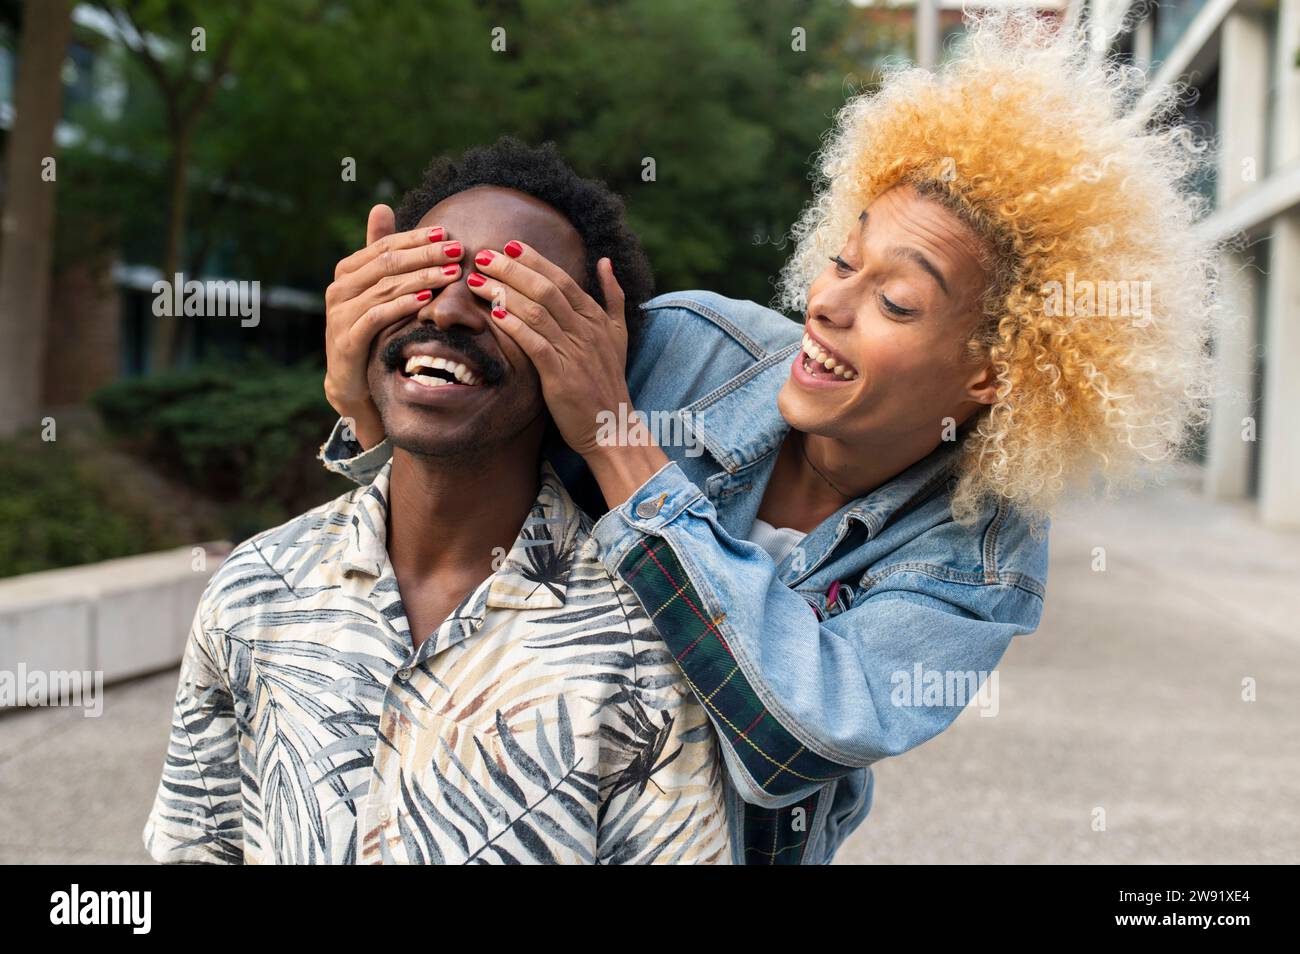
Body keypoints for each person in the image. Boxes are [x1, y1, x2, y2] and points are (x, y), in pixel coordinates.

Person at [318, 10, 1219, 864]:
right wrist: (361, 406)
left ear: (992, 370)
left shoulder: (977, 559)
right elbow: (466, 487)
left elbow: (801, 735)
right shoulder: (686, 347)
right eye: (842, 261)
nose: (827, 305)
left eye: (895, 301)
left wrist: (617, 443)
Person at [143, 142, 734, 864]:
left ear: (581, 354)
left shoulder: (642, 648)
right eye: (427, 273)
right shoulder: (253, 591)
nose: (451, 309)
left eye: (505, 290)